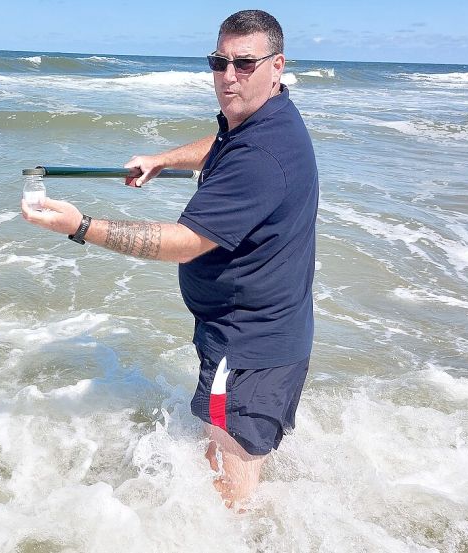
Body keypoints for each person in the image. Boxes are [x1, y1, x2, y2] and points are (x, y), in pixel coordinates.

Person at [20, 9, 318, 509]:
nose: (228, 77)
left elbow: (183, 241)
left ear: (277, 65)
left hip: (248, 346)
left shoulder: (263, 157)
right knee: (232, 453)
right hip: (258, 330)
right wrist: (165, 158)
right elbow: (223, 143)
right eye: (219, 61)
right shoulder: (263, 119)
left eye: (244, 64)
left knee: (227, 484)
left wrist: (80, 227)